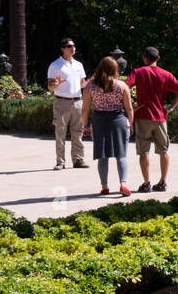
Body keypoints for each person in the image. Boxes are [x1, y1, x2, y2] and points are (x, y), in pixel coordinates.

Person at [126, 47, 178, 192]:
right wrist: (171, 108)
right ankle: (162, 182)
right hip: (160, 117)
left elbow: (125, 87)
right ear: (158, 58)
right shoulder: (166, 74)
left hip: (143, 116)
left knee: (143, 152)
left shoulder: (138, 72)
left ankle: (146, 184)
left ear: (144, 57)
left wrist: (131, 107)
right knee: (163, 151)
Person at [80, 56, 135, 197]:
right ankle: (123, 184)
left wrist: (85, 125)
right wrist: (131, 123)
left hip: (99, 121)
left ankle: (104, 186)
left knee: (102, 156)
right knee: (121, 154)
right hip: (119, 121)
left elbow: (85, 109)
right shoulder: (122, 86)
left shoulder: (90, 86)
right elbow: (129, 108)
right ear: (115, 69)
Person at [47, 37, 88, 170]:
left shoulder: (78, 65)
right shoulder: (55, 65)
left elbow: (83, 84)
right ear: (63, 49)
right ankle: (60, 162)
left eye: (74, 46)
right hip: (61, 103)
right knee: (60, 133)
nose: (72, 48)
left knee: (78, 132)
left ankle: (78, 160)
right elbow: (49, 86)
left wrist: (92, 82)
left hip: (77, 102)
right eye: (70, 46)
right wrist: (56, 83)